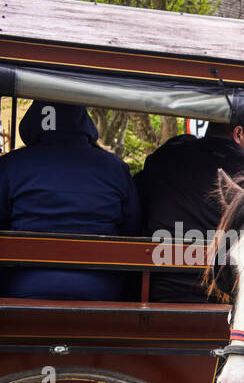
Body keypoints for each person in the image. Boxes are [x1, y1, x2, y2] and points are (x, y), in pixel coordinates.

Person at [0, 101, 139, 300]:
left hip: (22, 287)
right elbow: (132, 229)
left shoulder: (10, 165)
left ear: (33, 122)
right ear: (84, 123)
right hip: (102, 289)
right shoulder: (117, 169)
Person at [134, 120, 244, 301]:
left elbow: (135, 209)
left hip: (158, 295)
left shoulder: (165, 158)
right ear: (238, 133)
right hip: (225, 301)